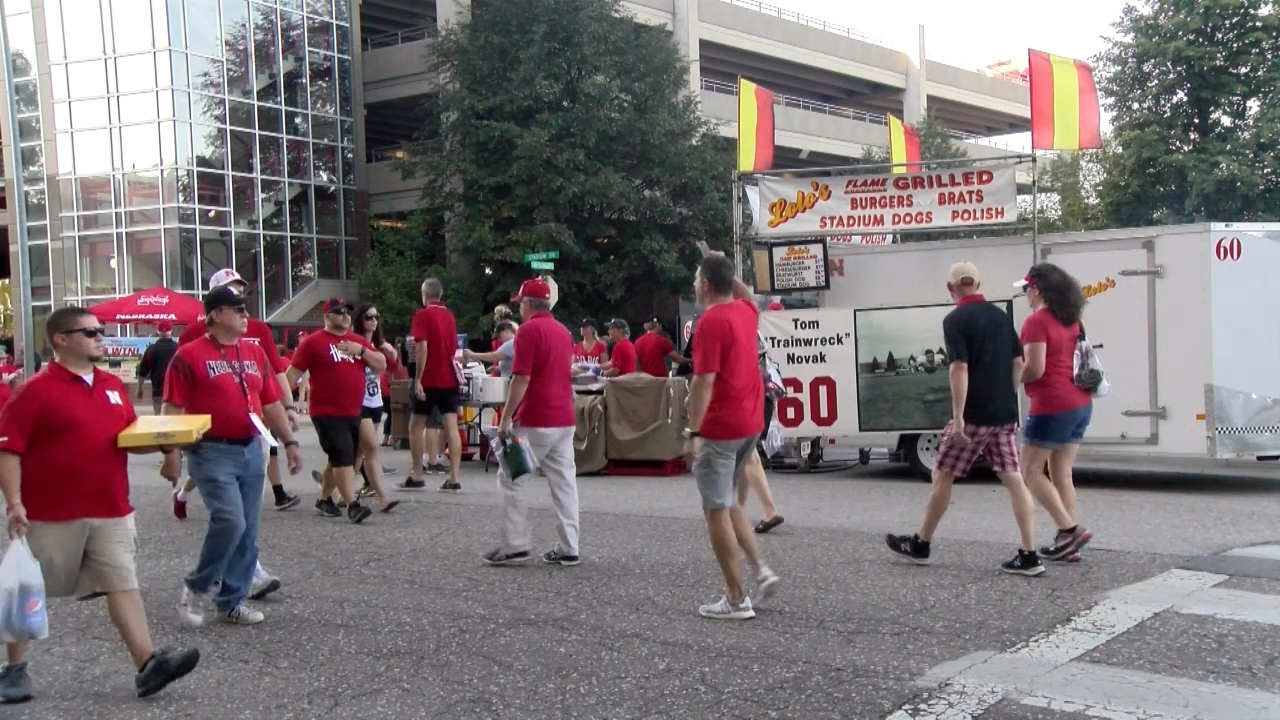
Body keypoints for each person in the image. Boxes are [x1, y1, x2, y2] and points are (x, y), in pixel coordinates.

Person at [0, 307, 200, 703]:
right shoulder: (35, 391)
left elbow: (126, 438)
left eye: (101, 331)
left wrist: (169, 444)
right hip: (52, 512)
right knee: (27, 589)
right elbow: (9, 450)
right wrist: (14, 503)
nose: (100, 337)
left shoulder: (110, 385)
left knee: (122, 582)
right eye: (90, 332)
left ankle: (147, 665)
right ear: (61, 339)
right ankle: (14, 671)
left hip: (111, 508)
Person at [885, 262, 1046, 576]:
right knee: (1013, 478)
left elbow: (958, 368)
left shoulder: (955, 319)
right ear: (979, 284)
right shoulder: (1002, 318)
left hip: (973, 414)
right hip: (1003, 414)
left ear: (951, 288)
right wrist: (1009, 401)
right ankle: (1029, 554)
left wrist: (958, 417)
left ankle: (921, 544)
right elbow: (1018, 364)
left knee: (943, 474)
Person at [162, 287, 304, 626]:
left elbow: (269, 402)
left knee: (248, 529)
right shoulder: (188, 355)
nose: (245, 315)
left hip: (251, 448)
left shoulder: (254, 355)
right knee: (231, 520)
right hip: (210, 450)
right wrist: (171, 453)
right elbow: (171, 407)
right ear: (214, 314)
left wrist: (289, 442)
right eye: (236, 309)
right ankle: (195, 587)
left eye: (246, 309)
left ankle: (230, 601)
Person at [684, 252, 780, 620]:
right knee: (732, 502)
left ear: (706, 285)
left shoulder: (710, 323)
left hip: (721, 426)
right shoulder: (746, 311)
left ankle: (737, 598)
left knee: (715, 510)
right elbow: (748, 293)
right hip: (750, 422)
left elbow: (703, 381)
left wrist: (693, 431)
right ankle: (761, 569)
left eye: (697, 279)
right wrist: (718, 261)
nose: (694, 285)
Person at [173, 269, 301, 518]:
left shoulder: (258, 330)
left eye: (242, 293)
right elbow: (178, 386)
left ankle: (269, 502)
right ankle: (184, 494)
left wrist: (289, 406)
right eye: (232, 292)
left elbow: (275, 372)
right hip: (209, 434)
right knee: (222, 498)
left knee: (263, 458)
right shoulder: (192, 336)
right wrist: (173, 450)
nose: (240, 300)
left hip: (255, 422)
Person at [483, 279, 581, 567]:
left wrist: (506, 417)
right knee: (564, 482)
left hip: (535, 418)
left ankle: (515, 545)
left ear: (527, 304)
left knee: (512, 478)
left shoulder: (527, 331)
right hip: (564, 418)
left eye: (520, 304)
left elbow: (522, 378)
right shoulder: (563, 331)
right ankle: (569, 547)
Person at [1013, 264, 1094, 562]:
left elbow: (1035, 367)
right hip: (1080, 403)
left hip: (1052, 405)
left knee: (1030, 470)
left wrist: (1009, 377)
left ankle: (1069, 528)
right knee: (1062, 472)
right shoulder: (1072, 320)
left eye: (1026, 290)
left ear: (1038, 290)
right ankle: (1067, 543)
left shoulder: (1036, 323)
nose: (1026, 296)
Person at [288, 298, 386, 523]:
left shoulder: (356, 340)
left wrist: (361, 351)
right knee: (342, 456)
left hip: (353, 409)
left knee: (341, 457)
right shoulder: (313, 343)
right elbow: (291, 375)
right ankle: (353, 504)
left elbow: (381, 363)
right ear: (327, 316)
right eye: (338, 312)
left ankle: (324, 499)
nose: (345, 316)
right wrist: (285, 405)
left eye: (347, 312)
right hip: (326, 411)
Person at [405, 278, 463, 492]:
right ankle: (454, 477)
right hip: (450, 377)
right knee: (451, 427)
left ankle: (417, 473)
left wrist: (418, 378)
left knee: (416, 425)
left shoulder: (422, 315)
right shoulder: (449, 316)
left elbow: (422, 348)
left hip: (430, 377)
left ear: (424, 294)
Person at [349, 303, 401, 510]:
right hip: (358, 402)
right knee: (370, 448)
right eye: (368, 317)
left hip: (375, 401)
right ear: (360, 320)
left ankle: (340, 491)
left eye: (376, 316)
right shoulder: (354, 343)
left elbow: (393, 369)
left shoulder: (380, 344)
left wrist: (393, 354)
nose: (373, 320)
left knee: (359, 452)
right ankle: (382, 496)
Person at [135, 322, 178, 414]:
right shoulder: (178, 348)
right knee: (176, 422)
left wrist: (139, 389)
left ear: (157, 332)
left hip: (158, 391)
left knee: (160, 422)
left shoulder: (151, 349)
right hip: (176, 392)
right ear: (172, 331)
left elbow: (142, 371)